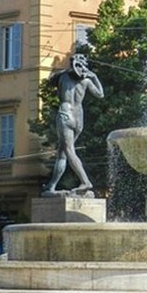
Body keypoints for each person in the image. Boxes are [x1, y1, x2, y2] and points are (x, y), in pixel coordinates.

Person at [43, 53, 104, 196]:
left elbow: (50, 80)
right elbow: (100, 94)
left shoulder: (63, 77)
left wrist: (68, 69)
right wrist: (93, 76)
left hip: (65, 115)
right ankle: (52, 186)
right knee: (62, 153)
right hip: (78, 118)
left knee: (69, 151)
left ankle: (85, 181)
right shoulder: (87, 81)